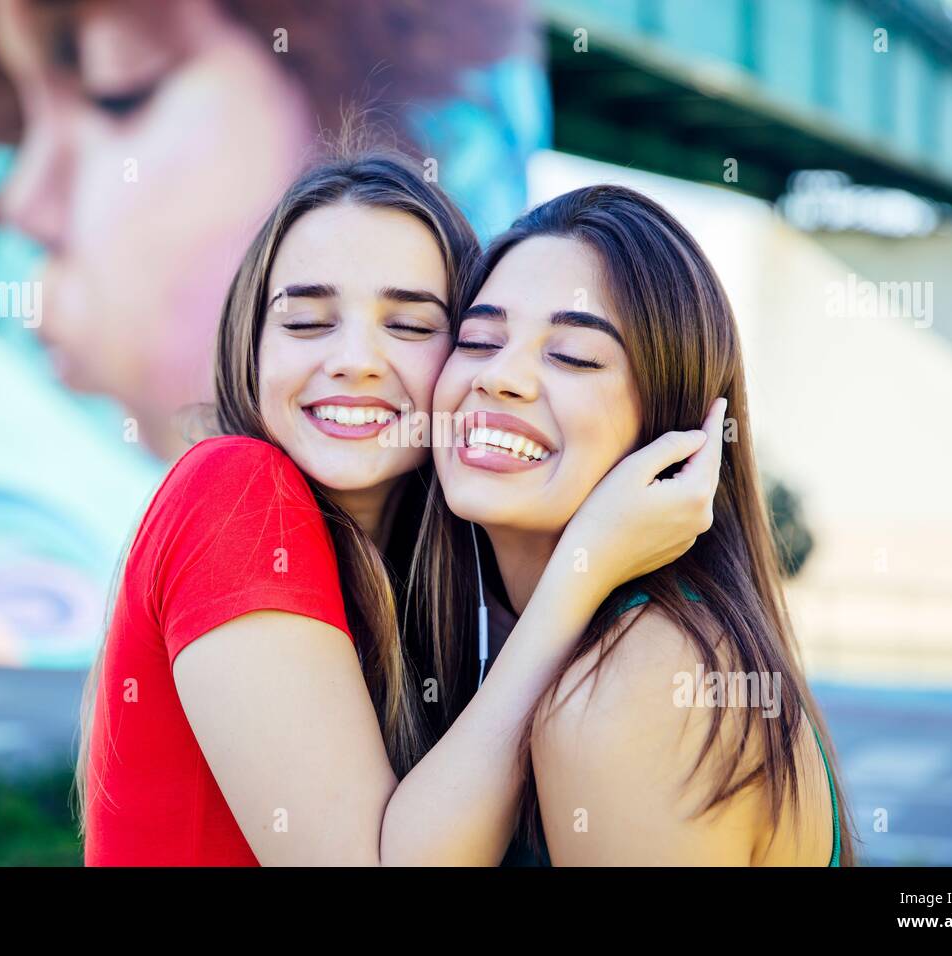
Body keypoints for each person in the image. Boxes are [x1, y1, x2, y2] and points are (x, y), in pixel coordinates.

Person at [79, 153, 725, 865]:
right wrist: (584, 569)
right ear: (251, 346)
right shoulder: (235, 490)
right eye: (306, 321)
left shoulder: (427, 587)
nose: (355, 359)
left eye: (412, 327)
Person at [429, 184, 854, 865]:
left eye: (572, 356)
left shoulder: (641, 688)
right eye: (479, 339)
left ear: (674, 430)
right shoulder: (541, 641)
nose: (500, 375)